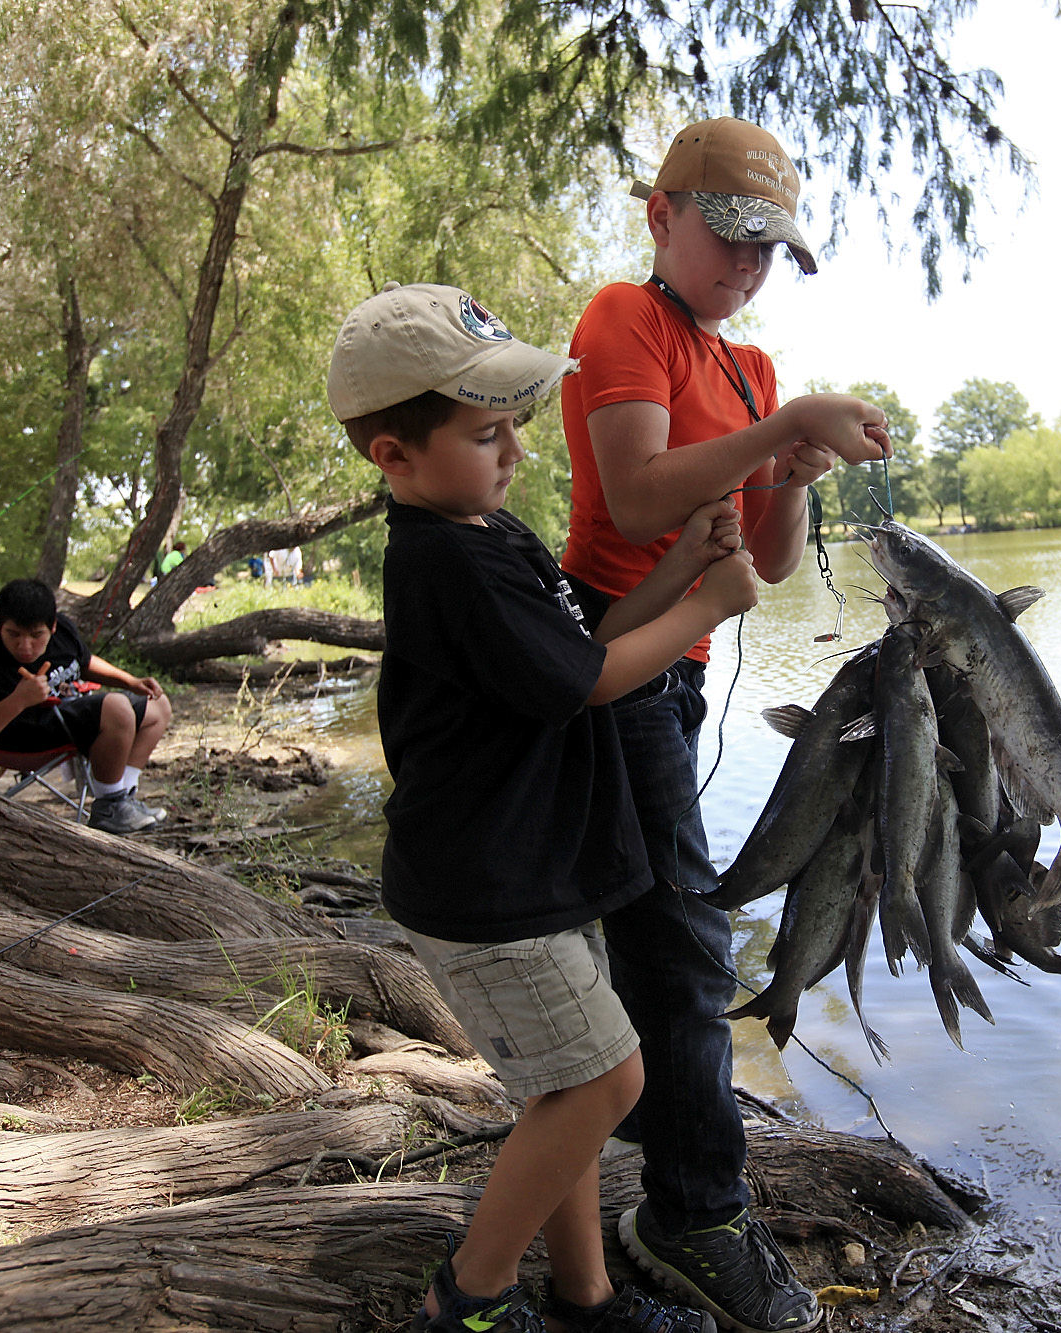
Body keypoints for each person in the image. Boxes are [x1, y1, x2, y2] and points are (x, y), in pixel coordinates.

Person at [328, 281, 751, 1333]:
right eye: (486, 434)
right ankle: (467, 1296)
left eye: (514, 425)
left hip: (529, 874)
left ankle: (583, 1296)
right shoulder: (445, 562)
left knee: (567, 1086)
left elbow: (584, 641)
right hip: (488, 891)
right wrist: (705, 605)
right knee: (608, 1081)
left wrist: (681, 566)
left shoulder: (487, 532)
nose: (515, 450)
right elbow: (591, 684)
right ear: (394, 455)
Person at [559, 117, 891, 1333]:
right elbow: (636, 494)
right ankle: (691, 1211)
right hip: (606, 652)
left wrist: (787, 475)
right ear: (661, 217)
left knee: (652, 931)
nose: (749, 267)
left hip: (679, 669)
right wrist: (783, 422)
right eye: (732, 237)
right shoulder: (623, 318)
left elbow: (767, 555)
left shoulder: (747, 369)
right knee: (689, 942)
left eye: (770, 250)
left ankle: (640, 1129)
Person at [0, 577, 172, 835]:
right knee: (117, 708)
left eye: (36, 635)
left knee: (157, 703)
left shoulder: (64, 632)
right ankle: (109, 807)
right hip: (16, 736)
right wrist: (17, 701)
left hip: (59, 714)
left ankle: (122, 797)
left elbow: (83, 662)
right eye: (13, 634)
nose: (25, 646)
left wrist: (130, 681)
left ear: (53, 627)